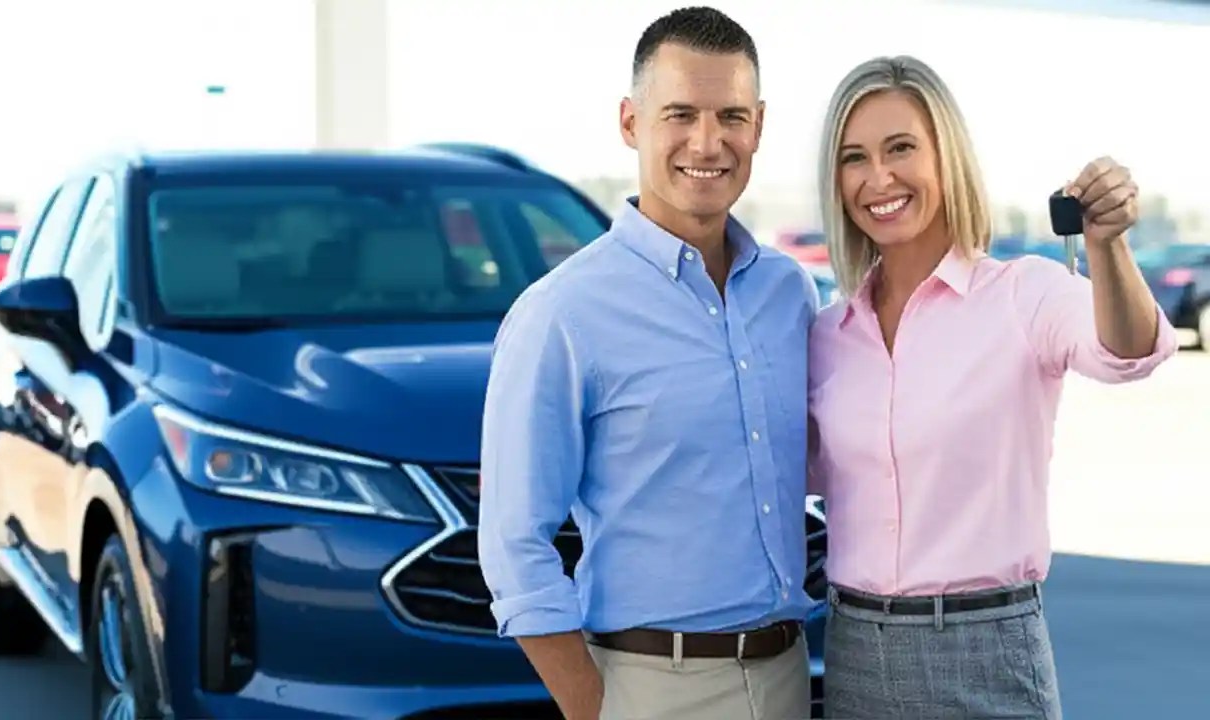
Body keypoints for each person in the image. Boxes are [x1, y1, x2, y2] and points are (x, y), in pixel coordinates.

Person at [806, 54, 1178, 720]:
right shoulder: (828, 333)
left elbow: (1129, 351)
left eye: (901, 149)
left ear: (948, 157)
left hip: (987, 652)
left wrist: (1107, 246)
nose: (878, 177)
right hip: (855, 651)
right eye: (854, 157)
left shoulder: (1025, 294)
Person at [478, 6, 819, 720]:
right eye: (679, 114)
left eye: (730, 114)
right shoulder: (564, 313)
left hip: (788, 674)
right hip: (647, 688)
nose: (708, 140)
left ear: (758, 125)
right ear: (631, 122)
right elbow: (514, 544)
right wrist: (592, 708)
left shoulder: (789, 294)